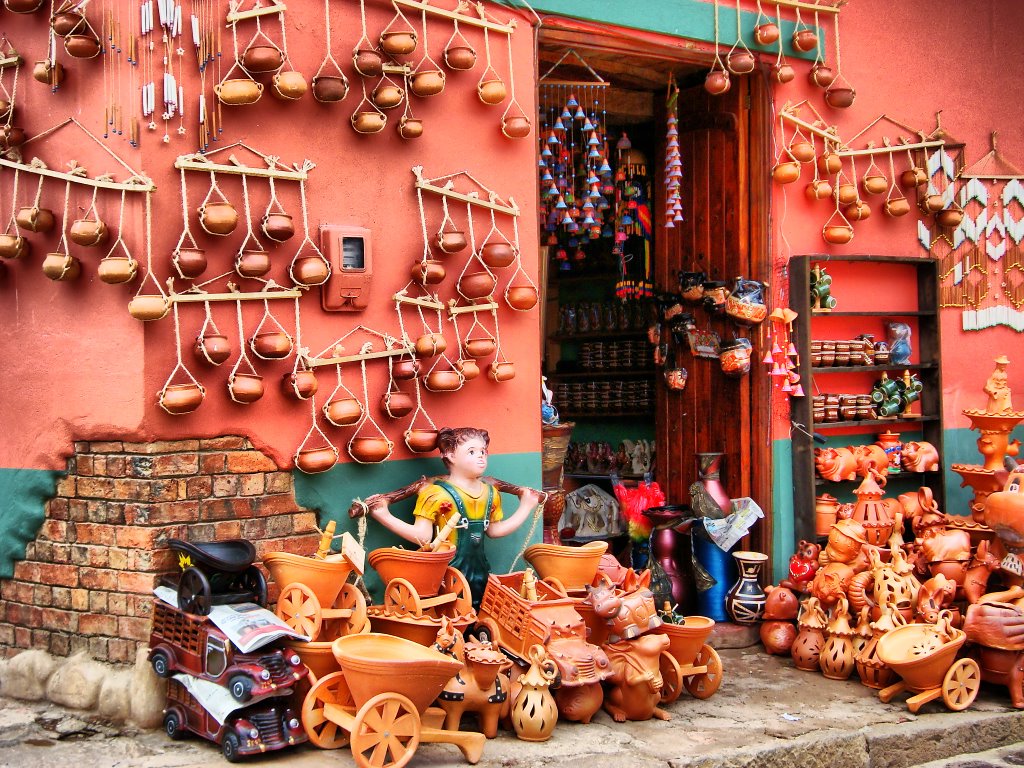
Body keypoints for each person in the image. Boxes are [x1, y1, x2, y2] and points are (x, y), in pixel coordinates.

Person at [369, 427, 541, 606]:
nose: (481, 456)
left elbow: (494, 530)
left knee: (480, 607)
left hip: (480, 570)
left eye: (483, 451)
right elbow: (423, 536)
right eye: (472, 452)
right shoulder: (435, 494)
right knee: (450, 607)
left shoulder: (490, 493)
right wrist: (384, 516)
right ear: (450, 455)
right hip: (446, 573)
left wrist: (525, 507)